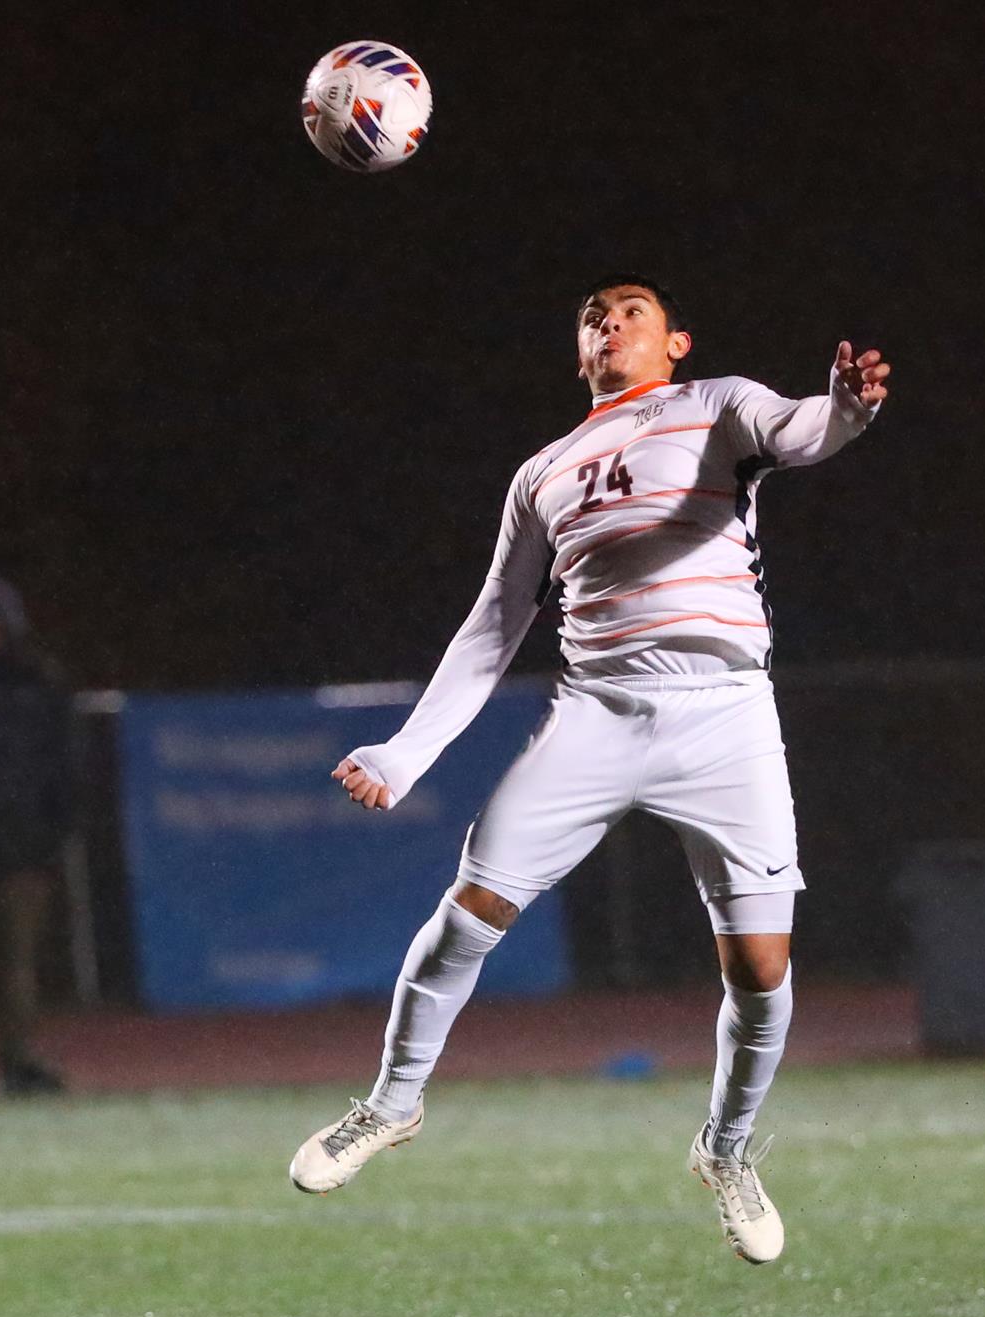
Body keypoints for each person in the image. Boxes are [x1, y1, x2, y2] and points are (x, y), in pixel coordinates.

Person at [287, 275, 891, 1266]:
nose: (611, 324)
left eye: (632, 312)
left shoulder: (715, 403)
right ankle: (390, 1106)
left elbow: (799, 432)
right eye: (593, 318)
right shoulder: (544, 470)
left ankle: (727, 1150)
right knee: (469, 910)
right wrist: (406, 750)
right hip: (596, 712)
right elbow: (493, 623)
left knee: (763, 969)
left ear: (676, 341)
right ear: (579, 355)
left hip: (724, 714)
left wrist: (849, 408)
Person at [0, 575, 71, 1095]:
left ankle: (18, 1063)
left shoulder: (39, 686)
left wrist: (53, 831)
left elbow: (64, 770)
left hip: (21, 845)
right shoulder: (38, 686)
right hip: (23, 838)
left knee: (16, 960)